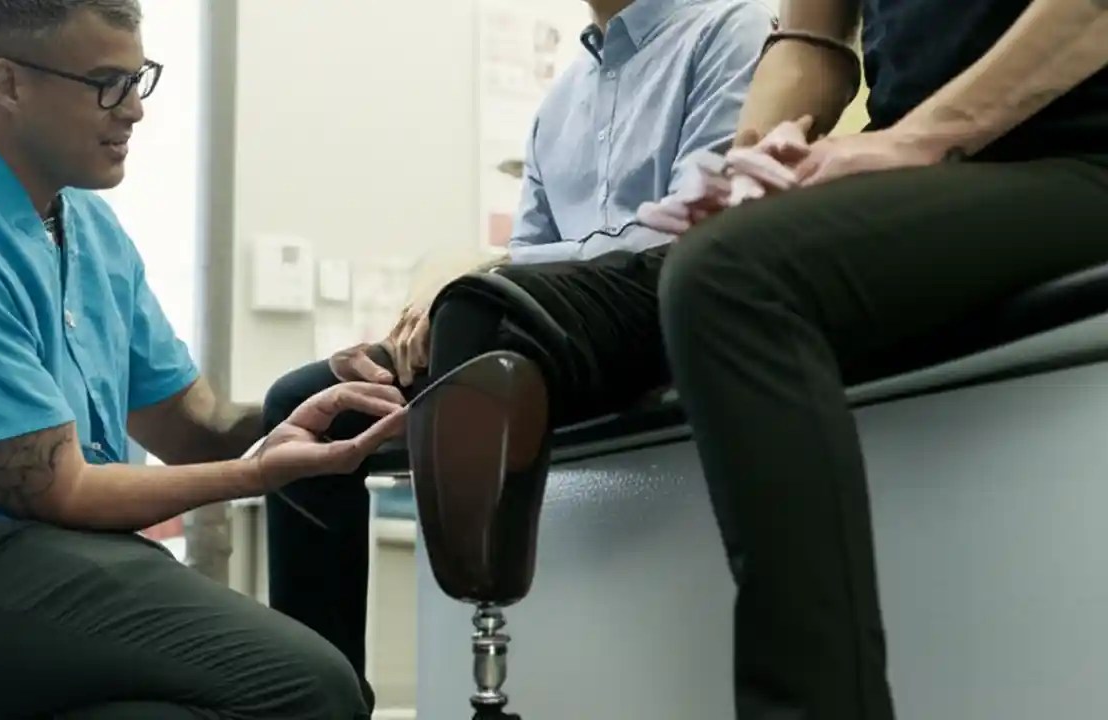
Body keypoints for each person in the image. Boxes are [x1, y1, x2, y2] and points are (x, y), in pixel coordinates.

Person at [407, 0, 1108, 718]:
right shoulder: (561, 104)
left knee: (730, 279)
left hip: (1077, 155)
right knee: (688, 266)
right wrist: (746, 172)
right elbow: (813, 34)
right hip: (940, 171)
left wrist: (924, 138)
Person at [0, 1, 406, 718]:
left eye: (139, 80)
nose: (133, 110)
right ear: (8, 84)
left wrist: (317, 396)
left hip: (60, 559)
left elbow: (193, 424)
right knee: (311, 688)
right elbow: (60, 491)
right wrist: (255, 473)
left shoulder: (90, 228)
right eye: (107, 83)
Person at [261, 0, 776, 685]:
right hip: (547, 325)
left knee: (471, 313)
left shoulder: (732, 28)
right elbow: (526, 255)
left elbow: (692, 228)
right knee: (309, 403)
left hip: (669, 304)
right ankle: (316, 698)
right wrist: (456, 291)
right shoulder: (565, 96)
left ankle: (482, 668)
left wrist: (479, 275)